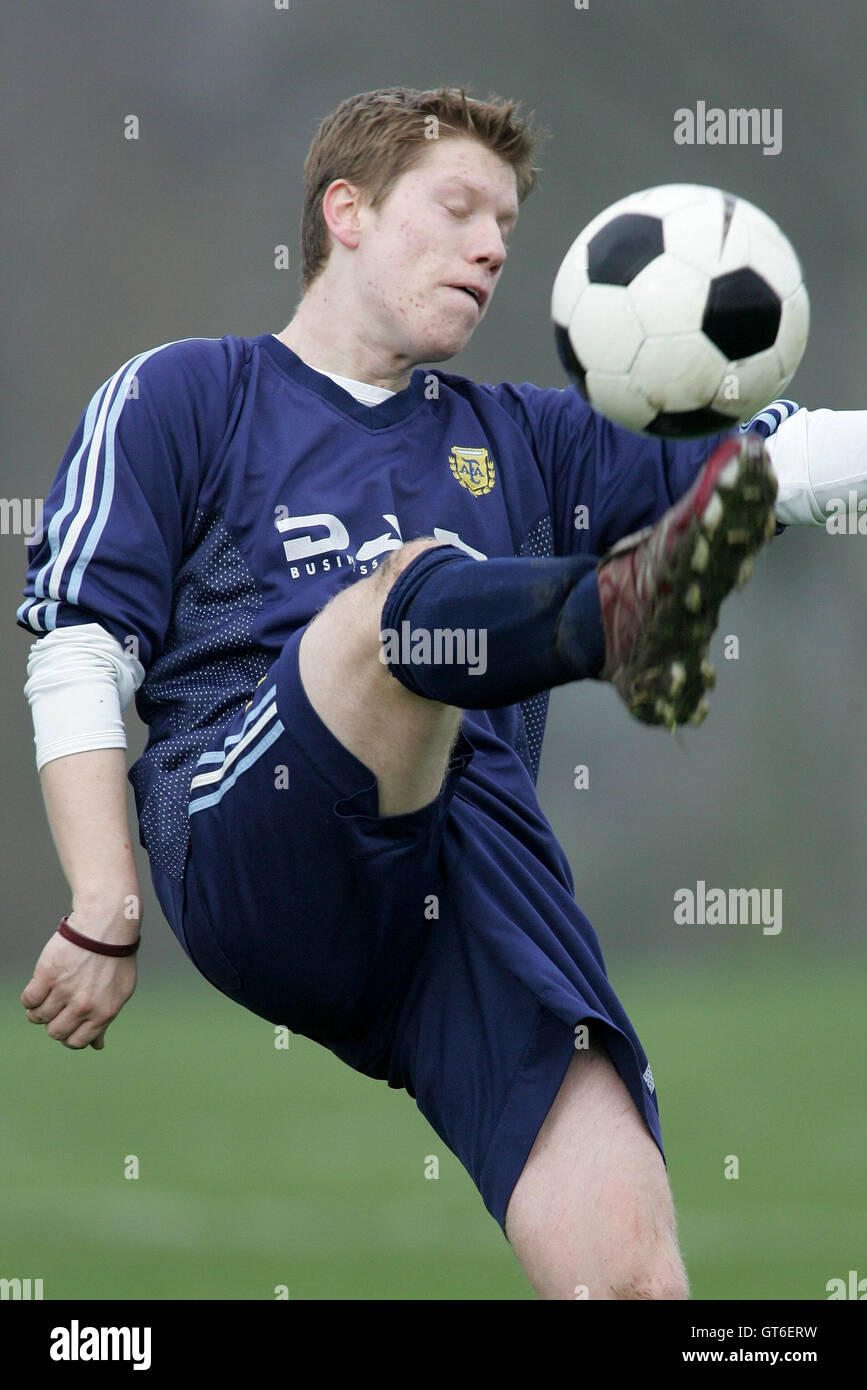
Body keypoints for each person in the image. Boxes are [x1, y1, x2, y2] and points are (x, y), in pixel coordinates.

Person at [16, 86, 866, 1299]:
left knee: (634, 1282)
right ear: (345, 212)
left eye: (507, 229)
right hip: (253, 836)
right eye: (460, 207)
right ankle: (610, 615)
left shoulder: (528, 436)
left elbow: (781, 462)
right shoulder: (185, 396)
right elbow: (78, 648)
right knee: (394, 599)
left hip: (473, 868)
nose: (491, 246)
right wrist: (103, 902)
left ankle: (616, 607)